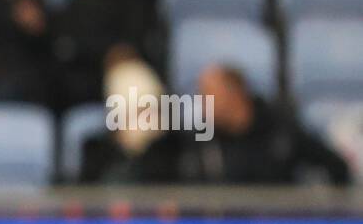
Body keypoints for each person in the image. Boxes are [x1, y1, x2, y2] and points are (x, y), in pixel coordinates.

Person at [137, 64, 352, 184]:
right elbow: (153, 162)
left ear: (235, 94)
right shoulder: (198, 136)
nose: (200, 101)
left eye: (207, 94)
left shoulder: (280, 130)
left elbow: (334, 165)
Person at [53, 0, 160, 109]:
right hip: (87, 78)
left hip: (126, 69)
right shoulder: (75, 3)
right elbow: (68, 46)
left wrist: (120, 53)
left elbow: (138, 36)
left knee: (130, 79)